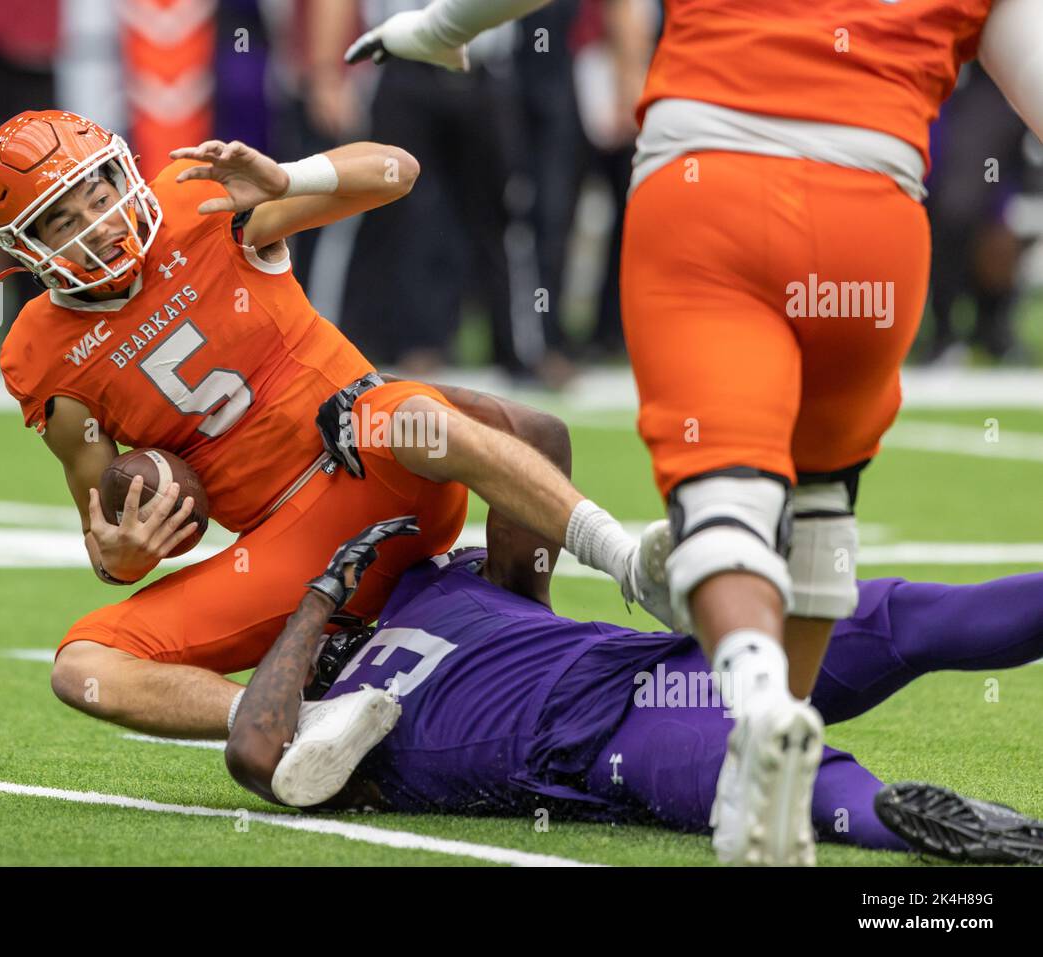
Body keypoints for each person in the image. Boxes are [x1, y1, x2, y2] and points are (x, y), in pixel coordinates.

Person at [344, 0, 1043, 865]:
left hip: (712, 184)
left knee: (726, 503)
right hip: (874, 215)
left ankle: (759, 699)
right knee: (822, 508)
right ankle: (779, 719)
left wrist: (437, 28)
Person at [0, 109, 668, 751]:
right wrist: (124, 554)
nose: (96, 226)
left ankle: (628, 562)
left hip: (370, 457)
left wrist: (287, 179)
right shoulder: (42, 353)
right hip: (288, 552)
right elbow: (104, 537)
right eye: (62, 221)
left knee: (419, 418)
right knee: (81, 666)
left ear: (120, 176)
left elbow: (398, 170)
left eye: (97, 198)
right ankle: (309, 723)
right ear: (27, 248)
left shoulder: (198, 202)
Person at [226, 518, 1043, 865]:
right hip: (618, 731)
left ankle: (941, 822)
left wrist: (324, 597)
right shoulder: (335, 744)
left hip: (648, 690)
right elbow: (255, 750)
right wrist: (319, 594)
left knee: (891, 636)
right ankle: (931, 822)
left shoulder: (430, 587)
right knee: (898, 630)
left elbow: (530, 444)